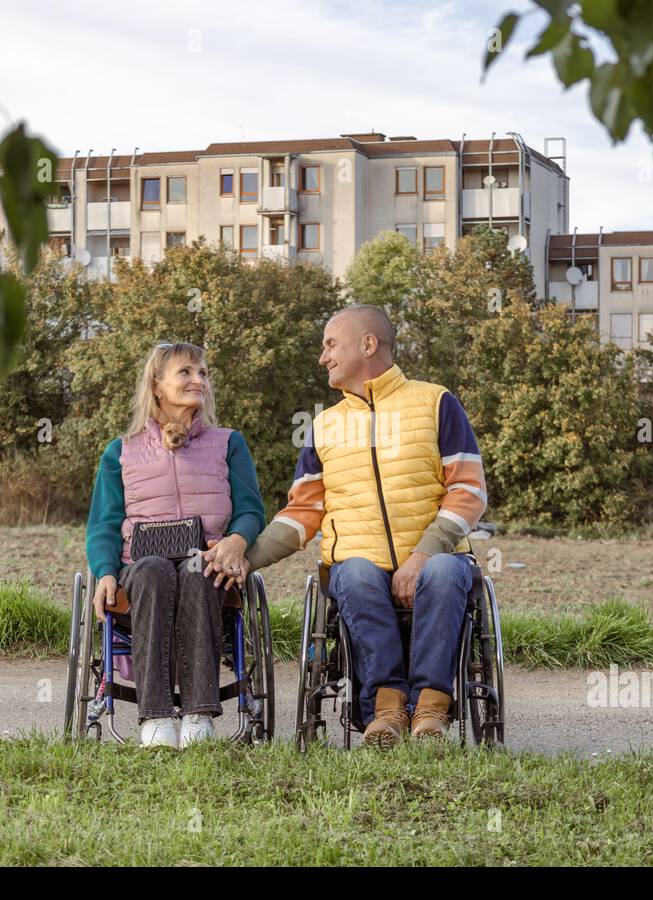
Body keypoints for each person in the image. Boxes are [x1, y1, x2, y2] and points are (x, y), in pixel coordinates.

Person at [240, 305, 487, 747]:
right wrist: (244, 558)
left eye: (331, 344)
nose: (323, 357)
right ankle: (385, 710)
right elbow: (302, 512)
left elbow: (468, 490)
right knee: (352, 573)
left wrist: (422, 555)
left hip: (436, 558)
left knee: (447, 571)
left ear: (368, 344)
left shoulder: (435, 402)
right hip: (358, 567)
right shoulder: (326, 425)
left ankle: (431, 708)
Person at [85, 342, 265, 749]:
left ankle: (199, 714)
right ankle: (156, 716)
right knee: (152, 569)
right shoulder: (122, 451)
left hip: (208, 562)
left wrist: (237, 541)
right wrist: (106, 573)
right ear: (157, 384)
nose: (198, 380)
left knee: (197, 568)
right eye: (185, 372)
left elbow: (252, 510)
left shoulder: (228, 443)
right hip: (142, 569)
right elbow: (104, 524)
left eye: (202, 373)